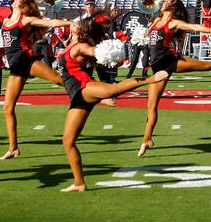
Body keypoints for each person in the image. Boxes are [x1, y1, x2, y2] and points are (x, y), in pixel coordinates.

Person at [57, 18, 169, 192]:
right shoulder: (72, 43)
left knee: (113, 90)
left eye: (77, 24)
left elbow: (95, 51)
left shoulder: (80, 46)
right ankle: (79, 183)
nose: (73, 23)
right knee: (68, 141)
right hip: (77, 98)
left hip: (83, 88)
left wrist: (110, 54)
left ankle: (149, 79)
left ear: (81, 31)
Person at [137, 0, 211, 157]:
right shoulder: (157, 21)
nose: (163, 3)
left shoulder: (174, 23)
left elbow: (194, 28)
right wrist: (141, 36)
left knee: (208, 65)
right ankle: (147, 140)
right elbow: (146, 37)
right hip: (156, 66)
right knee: (151, 105)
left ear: (172, 7)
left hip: (170, 62)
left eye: (167, 2)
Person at [0, 0, 79, 161]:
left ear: (23, 6)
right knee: (7, 108)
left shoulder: (25, 19)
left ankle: (89, 88)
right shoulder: (6, 21)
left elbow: (50, 23)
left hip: (26, 60)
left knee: (58, 79)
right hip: (15, 66)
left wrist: (71, 23)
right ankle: (13, 148)